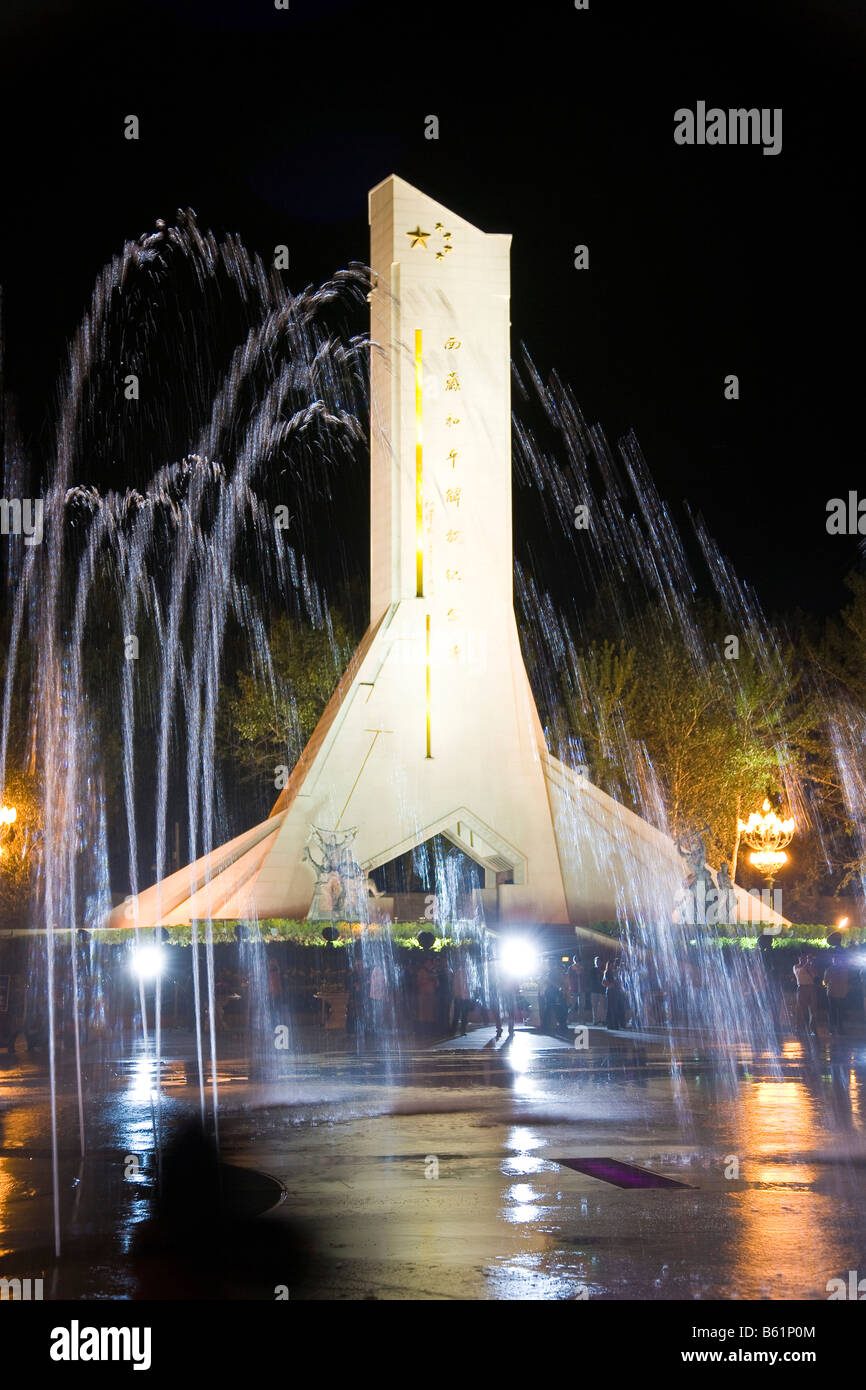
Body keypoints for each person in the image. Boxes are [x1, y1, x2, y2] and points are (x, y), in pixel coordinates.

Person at [823, 954, 849, 1036]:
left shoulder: (843, 970)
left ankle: (838, 1029)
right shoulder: (829, 969)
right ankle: (833, 1029)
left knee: (839, 1012)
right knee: (833, 1012)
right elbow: (825, 981)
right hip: (832, 993)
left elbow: (846, 981)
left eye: (837, 960)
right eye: (834, 960)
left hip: (840, 993)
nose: (836, 961)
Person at [792, 954, 818, 1035]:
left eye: (805, 957)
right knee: (800, 1009)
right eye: (802, 957)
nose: (803, 959)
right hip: (802, 988)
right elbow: (799, 973)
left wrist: (811, 966)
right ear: (799, 958)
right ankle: (798, 1028)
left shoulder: (810, 966)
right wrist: (807, 963)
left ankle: (813, 1029)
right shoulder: (796, 966)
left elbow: (815, 976)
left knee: (813, 1010)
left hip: (811, 987)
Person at [451, 957, 473, 1035]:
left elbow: (468, 985)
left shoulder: (467, 973)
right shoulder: (459, 973)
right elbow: (456, 985)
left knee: (463, 1014)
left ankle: (461, 1030)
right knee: (458, 1014)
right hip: (460, 997)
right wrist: (457, 994)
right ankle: (455, 1030)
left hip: (464, 997)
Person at [589, 955, 606, 1025]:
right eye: (596, 961)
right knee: (594, 1005)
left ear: (601, 962)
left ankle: (603, 1020)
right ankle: (595, 1020)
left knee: (602, 1005)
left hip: (602, 990)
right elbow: (590, 979)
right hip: (594, 989)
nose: (598, 963)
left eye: (599, 961)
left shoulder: (604, 970)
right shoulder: (592, 970)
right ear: (594, 962)